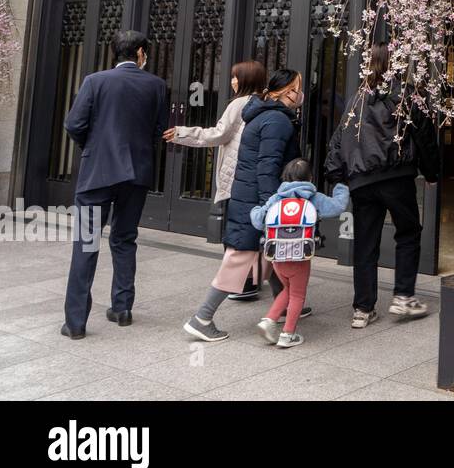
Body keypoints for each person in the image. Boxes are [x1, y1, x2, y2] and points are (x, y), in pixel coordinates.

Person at [61, 29, 169, 339]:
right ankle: (122, 308)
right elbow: (160, 129)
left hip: (98, 173)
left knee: (86, 243)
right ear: (139, 53)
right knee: (124, 239)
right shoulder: (157, 85)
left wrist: (94, 148)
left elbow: (74, 125)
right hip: (137, 174)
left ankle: (76, 322)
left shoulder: (95, 81)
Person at [183, 69, 303, 342]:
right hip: (256, 200)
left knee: (271, 253)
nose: (300, 94)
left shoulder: (260, 115)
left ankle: (282, 303)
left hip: (246, 196)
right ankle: (203, 317)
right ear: (286, 92)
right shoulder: (277, 121)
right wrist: (269, 206)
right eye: (297, 88)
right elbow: (267, 167)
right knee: (238, 259)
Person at [324, 44, 435, 328]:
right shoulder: (405, 96)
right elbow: (423, 134)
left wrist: (335, 175)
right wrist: (433, 172)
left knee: (365, 242)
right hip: (396, 176)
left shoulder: (355, 100)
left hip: (362, 181)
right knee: (408, 232)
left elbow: (339, 139)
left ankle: (363, 308)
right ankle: (403, 297)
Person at [165, 60, 269, 301]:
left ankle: (242, 284)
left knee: (238, 231)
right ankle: (254, 280)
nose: (232, 81)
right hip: (254, 176)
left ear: (247, 79)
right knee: (254, 227)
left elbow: (218, 134)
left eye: (236, 76)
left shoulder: (239, 104)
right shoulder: (264, 103)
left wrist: (183, 132)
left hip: (236, 175)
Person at [250, 158, 350, 348]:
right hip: (300, 256)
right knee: (297, 295)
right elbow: (338, 206)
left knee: (287, 290)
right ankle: (288, 334)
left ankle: (269, 320)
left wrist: (255, 208)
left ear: (285, 177)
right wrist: (341, 185)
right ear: (310, 177)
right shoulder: (314, 197)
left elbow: (257, 219)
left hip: (276, 255)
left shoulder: (277, 198)